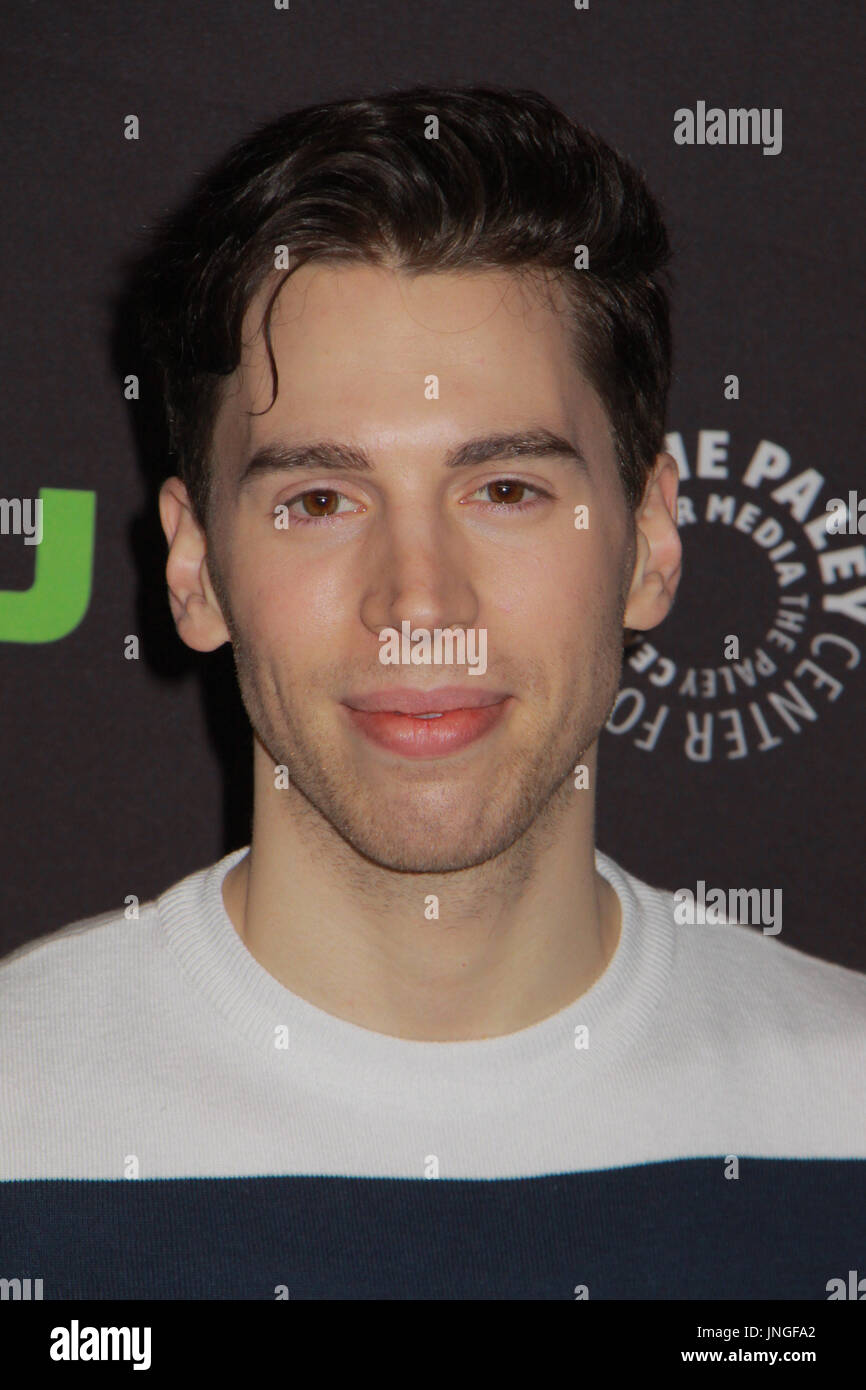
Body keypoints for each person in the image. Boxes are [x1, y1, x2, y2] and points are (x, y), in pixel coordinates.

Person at [2, 84, 863, 1301]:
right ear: (194, 570)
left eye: (505, 488)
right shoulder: (18, 1116)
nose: (418, 602)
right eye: (318, 500)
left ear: (654, 538)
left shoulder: (845, 1114)